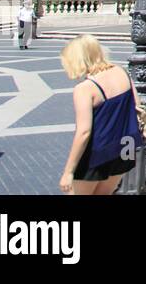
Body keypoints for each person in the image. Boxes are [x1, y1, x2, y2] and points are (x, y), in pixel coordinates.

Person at [58, 35, 141, 195]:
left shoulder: (85, 88)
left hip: (98, 151)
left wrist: (68, 172)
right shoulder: (121, 71)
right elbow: (137, 105)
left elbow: (84, 132)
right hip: (126, 145)